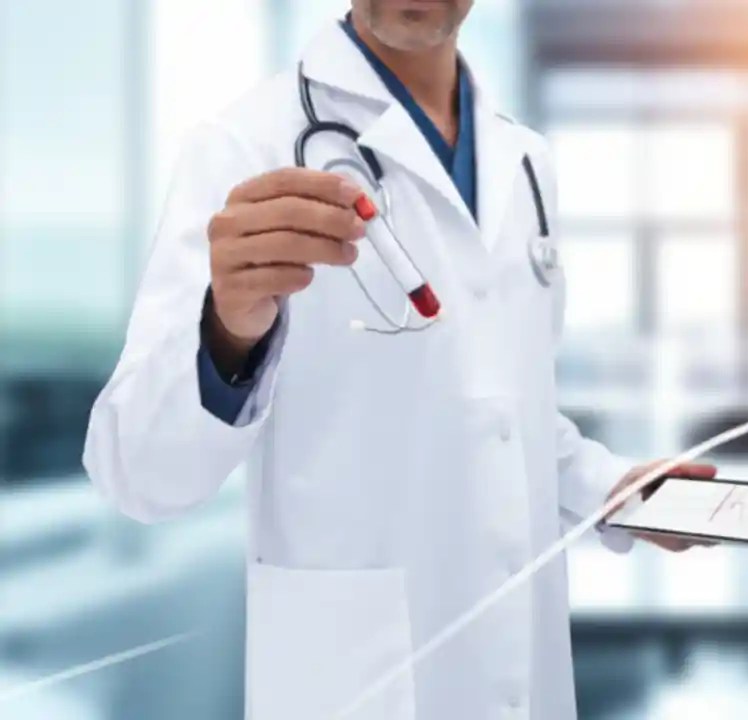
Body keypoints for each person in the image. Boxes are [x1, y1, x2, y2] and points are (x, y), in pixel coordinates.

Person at [83, 2, 714, 718]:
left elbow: (506, 412)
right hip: (359, 678)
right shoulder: (246, 145)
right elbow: (137, 473)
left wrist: (616, 491)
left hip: (520, 672)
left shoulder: (524, 161)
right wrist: (228, 328)